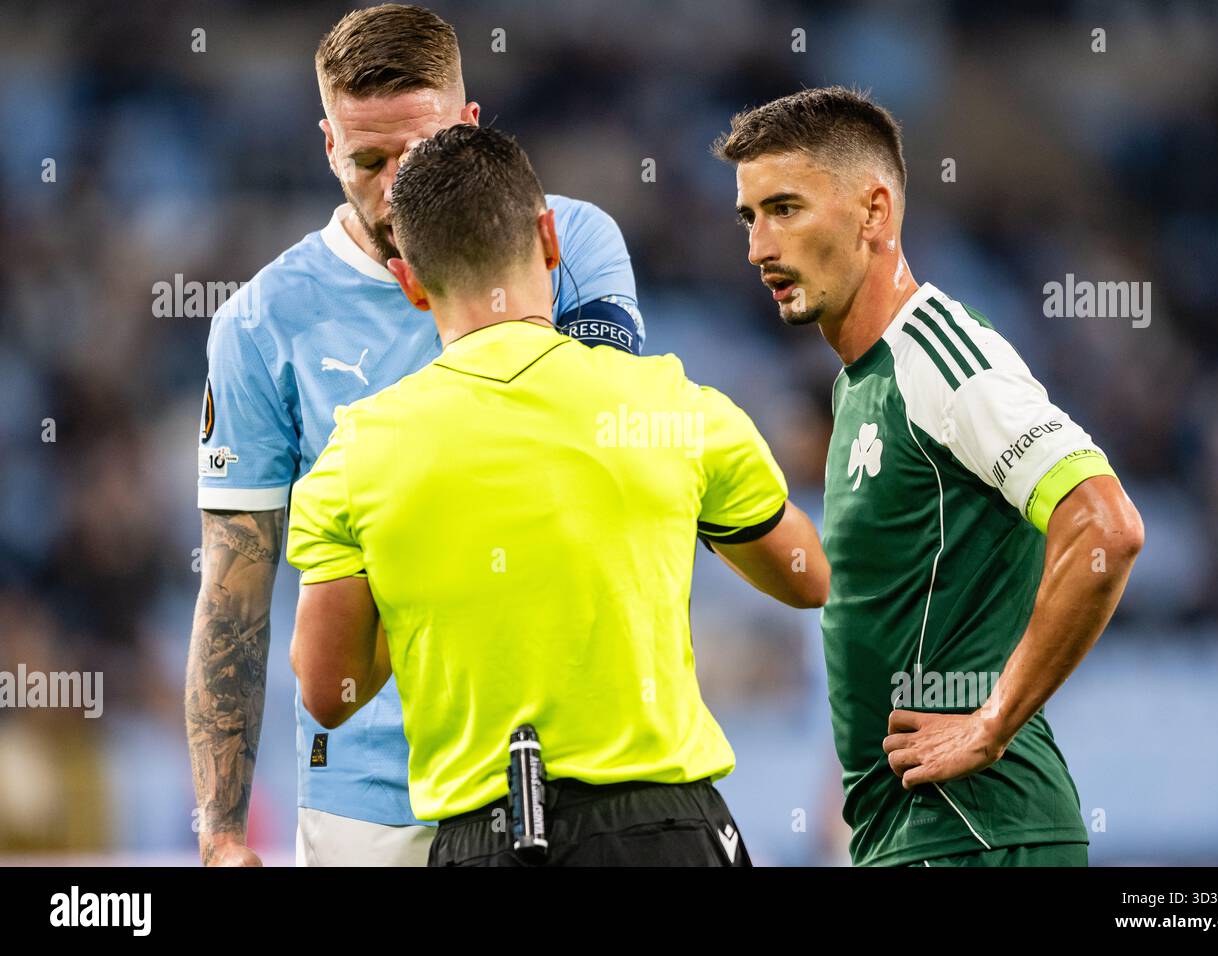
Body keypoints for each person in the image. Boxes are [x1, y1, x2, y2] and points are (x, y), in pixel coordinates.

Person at [287, 125, 829, 867]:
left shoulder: (357, 451)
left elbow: (329, 690)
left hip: (484, 840)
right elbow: (809, 579)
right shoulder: (668, 404)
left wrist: (418, 580)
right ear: (550, 239)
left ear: (410, 279)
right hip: (665, 829)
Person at [185, 4, 644, 867]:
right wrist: (219, 835)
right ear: (327, 145)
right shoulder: (260, 322)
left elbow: (599, 456)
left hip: (576, 765)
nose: (397, 186)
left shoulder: (570, 241)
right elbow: (233, 599)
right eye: (367, 160)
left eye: (423, 152)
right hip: (368, 794)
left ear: (470, 127)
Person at [713, 86, 1144, 867]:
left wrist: (993, 721)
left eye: (784, 209)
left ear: (874, 212)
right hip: (909, 835)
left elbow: (1106, 529)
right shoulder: (858, 385)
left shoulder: (941, 357)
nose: (759, 248)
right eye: (750, 218)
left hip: (979, 834)